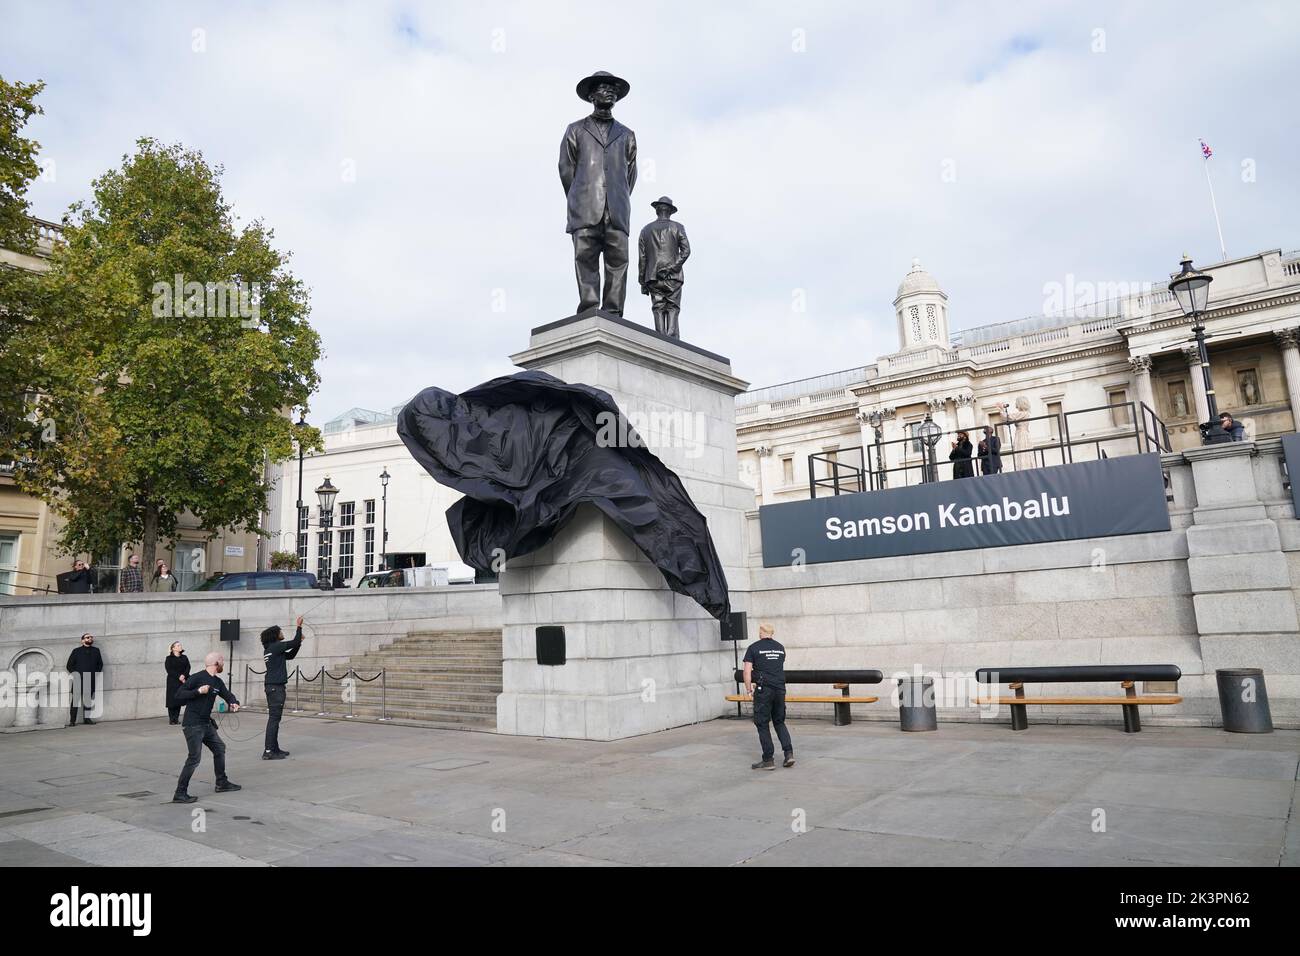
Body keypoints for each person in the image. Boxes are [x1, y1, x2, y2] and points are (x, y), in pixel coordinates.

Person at [558, 70, 637, 317]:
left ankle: (614, 312)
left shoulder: (627, 134)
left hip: (617, 209)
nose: (609, 91)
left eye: (613, 89)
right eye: (603, 88)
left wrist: (616, 197)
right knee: (585, 258)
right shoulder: (575, 130)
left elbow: (630, 174)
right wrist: (581, 197)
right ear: (592, 95)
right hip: (585, 206)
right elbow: (565, 169)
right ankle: (589, 307)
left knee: (618, 262)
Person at [172, 652, 241, 803]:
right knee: (194, 758)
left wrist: (233, 702)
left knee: (219, 748)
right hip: (192, 724)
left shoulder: (217, 682)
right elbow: (178, 695)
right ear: (216, 663)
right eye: (222, 660)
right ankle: (180, 793)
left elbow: (227, 694)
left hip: (206, 724)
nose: (223, 663)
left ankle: (221, 783)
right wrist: (198, 691)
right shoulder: (197, 677)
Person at [742, 622, 794, 770]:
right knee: (779, 721)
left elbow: (746, 671)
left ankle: (768, 759)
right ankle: (789, 754)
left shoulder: (753, 648)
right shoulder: (780, 648)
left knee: (762, 723)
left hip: (763, 690)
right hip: (780, 689)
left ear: (761, 632)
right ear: (772, 633)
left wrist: (748, 690)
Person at [638, 196, 691, 338]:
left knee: (658, 307)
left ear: (657, 211)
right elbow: (686, 251)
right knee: (673, 307)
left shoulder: (645, 230)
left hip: (653, 277)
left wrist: (643, 281)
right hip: (673, 276)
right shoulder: (677, 227)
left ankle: (660, 337)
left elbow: (642, 259)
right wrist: (673, 268)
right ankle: (672, 337)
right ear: (670, 211)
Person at [260, 615, 304, 760]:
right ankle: (268, 751)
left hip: (272, 687)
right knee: (274, 719)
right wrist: (299, 626)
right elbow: (294, 641)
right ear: (275, 635)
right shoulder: (276, 646)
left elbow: (290, 656)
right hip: (276, 688)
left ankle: (274, 749)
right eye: (280, 631)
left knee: (275, 719)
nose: (282, 633)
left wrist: (299, 643)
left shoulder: (271, 649)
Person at [65, 632, 103, 726]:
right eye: (87, 637)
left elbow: (100, 664)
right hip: (78, 680)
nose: (90, 638)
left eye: (91, 637)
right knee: (75, 701)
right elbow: (69, 665)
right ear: (82, 640)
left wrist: (94, 673)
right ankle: (72, 721)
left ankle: (87, 719)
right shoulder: (76, 651)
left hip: (90, 679)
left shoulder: (96, 650)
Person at [164, 641, 190, 724]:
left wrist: (184, 676)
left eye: (180, 645)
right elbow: (169, 670)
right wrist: (179, 676)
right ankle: (172, 719)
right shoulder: (169, 658)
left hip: (182, 681)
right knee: (172, 700)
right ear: (173, 648)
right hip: (173, 681)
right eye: (178, 645)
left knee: (179, 699)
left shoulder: (184, 657)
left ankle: (176, 718)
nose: (180, 646)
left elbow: (188, 667)